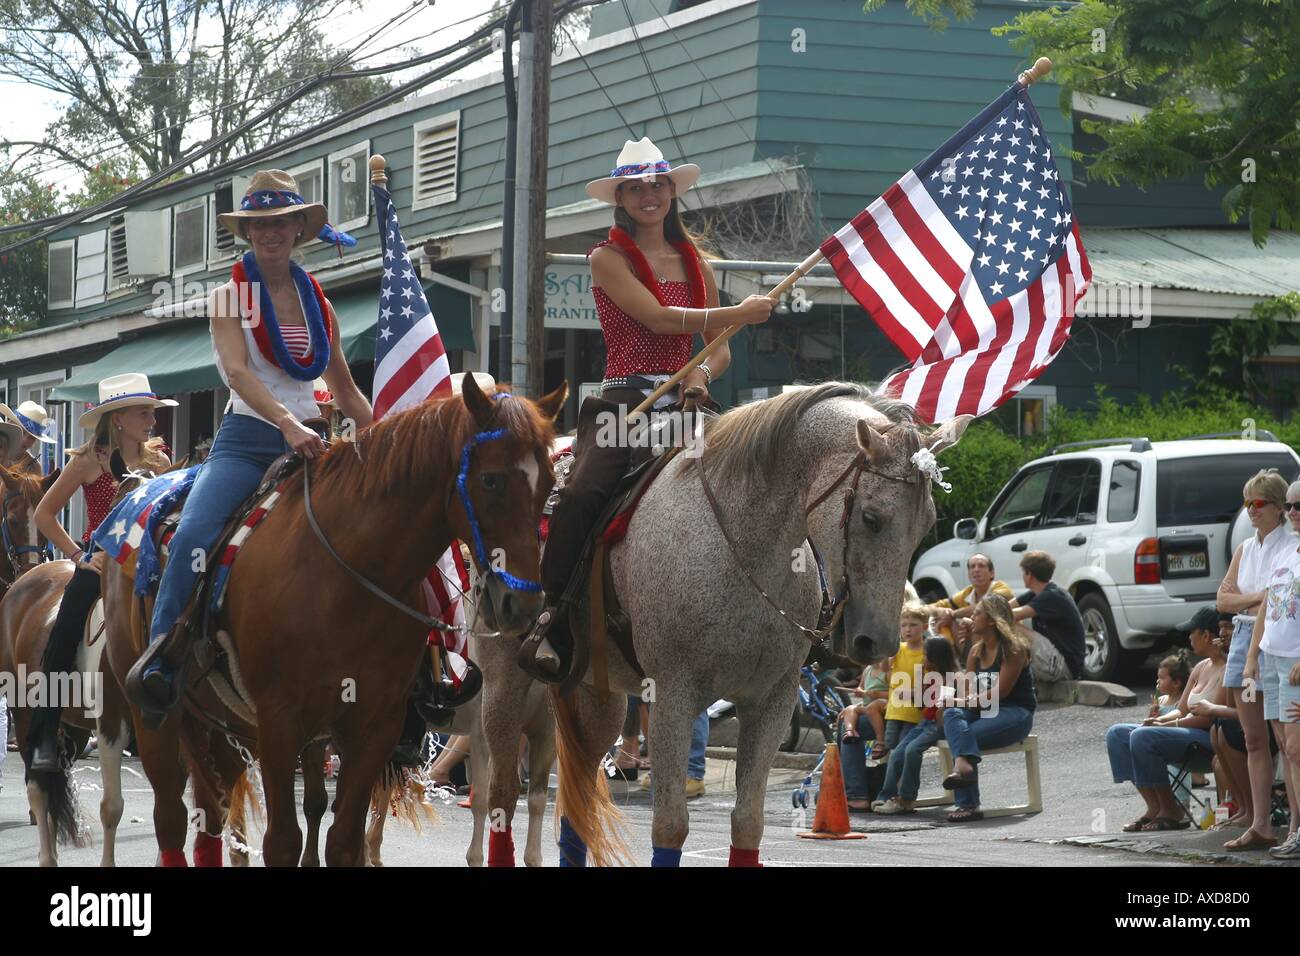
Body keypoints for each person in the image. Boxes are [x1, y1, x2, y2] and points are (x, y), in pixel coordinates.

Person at [124, 169, 385, 723]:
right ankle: (161, 656)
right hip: (249, 438)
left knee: (384, 525)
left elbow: (342, 387)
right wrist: (288, 423)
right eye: (259, 224)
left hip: (315, 440)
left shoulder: (321, 301)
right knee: (194, 531)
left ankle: (412, 668)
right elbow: (238, 376)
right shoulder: (227, 296)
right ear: (247, 232)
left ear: (298, 227)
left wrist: (387, 431)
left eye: (281, 222)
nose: (271, 232)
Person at [521, 137, 773, 681]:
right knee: (584, 489)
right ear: (621, 198)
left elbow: (718, 345)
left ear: (670, 191)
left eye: (656, 185)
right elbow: (659, 318)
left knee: (756, 479)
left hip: (687, 401)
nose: (648, 195)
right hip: (624, 400)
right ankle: (552, 616)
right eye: (634, 188)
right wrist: (742, 311)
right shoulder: (606, 258)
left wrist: (701, 374)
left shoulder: (696, 260)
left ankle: (783, 612)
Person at [26, 374, 174, 770]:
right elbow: (43, 514)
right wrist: (76, 554)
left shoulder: (158, 460)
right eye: (144, 412)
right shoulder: (87, 460)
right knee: (67, 627)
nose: (153, 420)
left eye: (153, 412)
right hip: (101, 559)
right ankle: (45, 728)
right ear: (119, 418)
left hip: (148, 560)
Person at [1217, 468, 1292, 851]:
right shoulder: (1246, 547)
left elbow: (1275, 599)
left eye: (1258, 503)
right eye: (1247, 503)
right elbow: (1222, 599)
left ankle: (1292, 826)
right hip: (1244, 634)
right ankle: (1260, 823)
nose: (1251, 510)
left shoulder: (1289, 546)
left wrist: (1251, 599)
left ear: (1279, 508)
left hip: (1274, 639)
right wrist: (1255, 597)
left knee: (1285, 736)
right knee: (1252, 737)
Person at [1105, 607, 1225, 833]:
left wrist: (1166, 725)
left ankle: (1172, 810)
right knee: (1117, 734)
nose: (1189, 637)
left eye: (1192, 632)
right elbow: (1180, 709)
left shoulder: (1226, 668)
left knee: (1142, 736)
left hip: (1207, 741)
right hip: (1184, 732)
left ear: (1207, 635)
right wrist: (1159, 719)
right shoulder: (1200, 667)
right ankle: (1155, 807)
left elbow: (1208, 719)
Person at [1241, 477, 1300, 859]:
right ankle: (1295, 827)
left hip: (1295, 661)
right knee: (1287, 748)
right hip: (1274, 658)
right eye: (1292, 506)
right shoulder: (1287, 553)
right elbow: (1266, 605)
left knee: (1295, 747)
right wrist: (1252, 657)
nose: (1294, 513)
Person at [941, 594, 1036, 822]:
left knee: (966, 735)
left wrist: (964, 702)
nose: (971, 616)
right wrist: (954, 699)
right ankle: (963, 766)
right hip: (983, 709)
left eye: (977, 613)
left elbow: (1000, 693)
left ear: (992, 620)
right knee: (952, 714)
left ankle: (967, 802)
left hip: (1014, 712)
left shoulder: (1014, 649)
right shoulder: (976, 651)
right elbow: (970, 691)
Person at [839, 604, 929, 809]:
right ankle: (856, 793)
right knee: (849, 726)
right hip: (893, 711)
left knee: (900, 751)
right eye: (903, 625)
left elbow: (930, 686)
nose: (907, 629)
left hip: (912, 712)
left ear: (924, 627)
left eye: (913, 625)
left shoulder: (926, 653)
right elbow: (888, 675)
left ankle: (894, 794)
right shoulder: (898, 651)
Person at [873, 636, 962, 815]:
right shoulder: (927, 673)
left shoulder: (953, 677)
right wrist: (911, 693)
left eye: (926, 656)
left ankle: (906, 799)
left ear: (936, 657)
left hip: (940, 723)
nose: (923, 659)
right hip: (925, 721)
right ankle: (886, 795)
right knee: (898, 752)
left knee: (912, 750)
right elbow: (923, 699)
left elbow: (952, 704)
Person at [1012, 550, 1086, 682]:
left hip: (1064, 666)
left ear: (1030, 574)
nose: (1022, 575)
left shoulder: (1052, 596)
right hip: (1051, 658)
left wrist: (982, 616)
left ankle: (987, 693)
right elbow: (1004, 607)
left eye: (1024, 572)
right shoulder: (1036, 593)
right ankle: (991, 689)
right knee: (995, 624)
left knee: (1007, 624)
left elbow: (1011, 615)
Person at [925, 553, 1015, 655]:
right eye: (972, 567)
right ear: (969, 574)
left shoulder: (1002, 588)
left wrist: (952, 614)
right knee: (948, 621)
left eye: (981, 566)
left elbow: (984, 607)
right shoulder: (967, 592)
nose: (976, 570)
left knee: (966, 620)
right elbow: (930, 607)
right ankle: (956, 661)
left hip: (1005, 645)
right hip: (977, 645)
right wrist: (941, 611)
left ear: (992, 573)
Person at [839, 658, 889, 742]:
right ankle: (850, 731)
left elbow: (893, 693)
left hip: (881, 706)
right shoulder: (867, 670)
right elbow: (861, 687)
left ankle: (880, 739)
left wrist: (877, 694)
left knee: (872, 708)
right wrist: (858, 691)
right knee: (849, 709)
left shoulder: (886, 670)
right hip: (867, 705)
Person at [0, 400, 57, 472]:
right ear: (10, 424)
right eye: (22, 432)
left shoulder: (34, 468)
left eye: (32, 437)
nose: (25, 440)